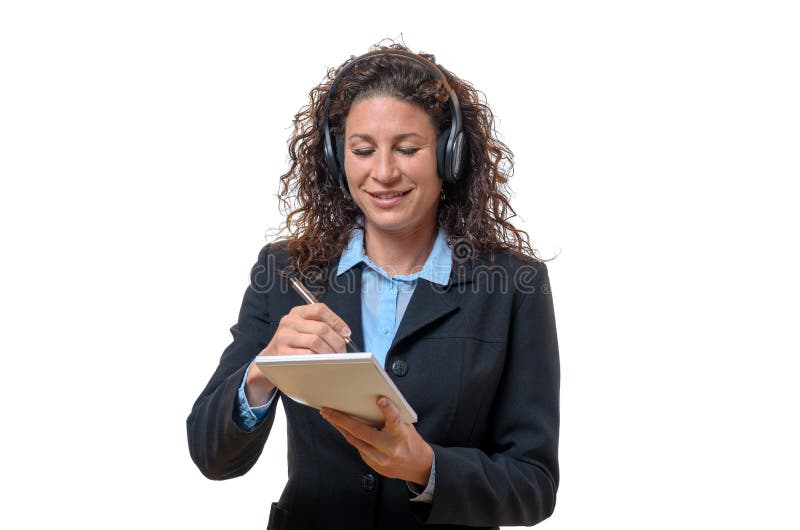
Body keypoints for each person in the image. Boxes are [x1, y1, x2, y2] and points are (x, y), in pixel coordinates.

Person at [187, 40, 560, 530]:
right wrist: (262, 371)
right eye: (363, 150)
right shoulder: (285, 270)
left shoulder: (513, 285)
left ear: (449, 155)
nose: (383, 173)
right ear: (336, 157)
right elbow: (211, 456)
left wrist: (427, 468)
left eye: (407, 149)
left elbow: (534, 486)